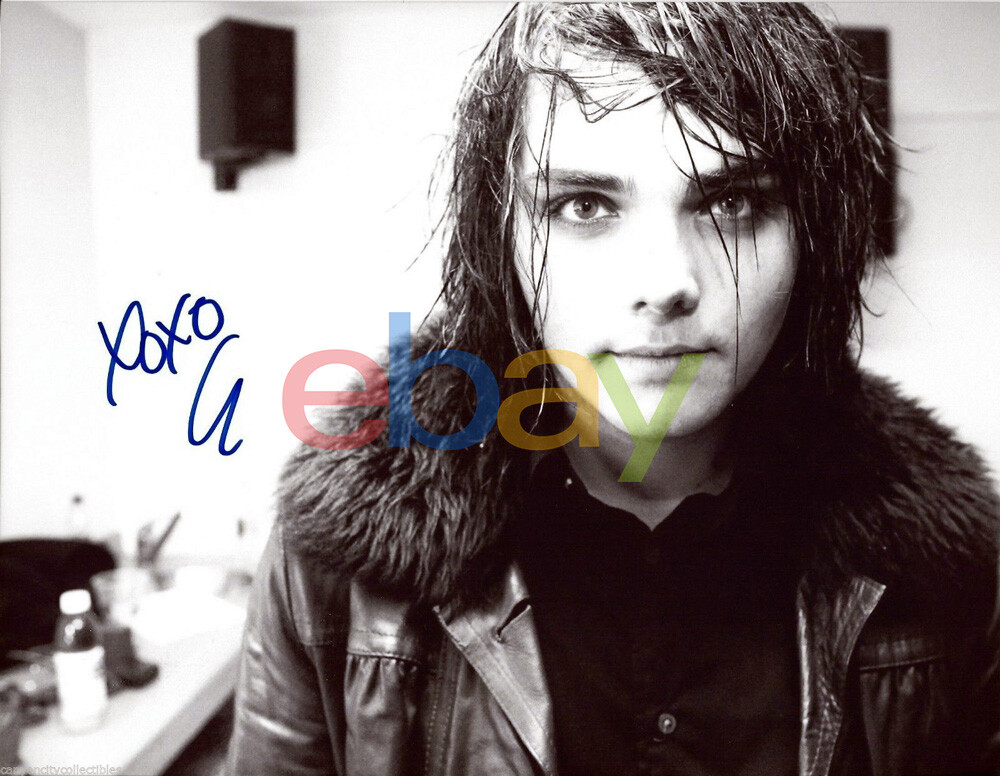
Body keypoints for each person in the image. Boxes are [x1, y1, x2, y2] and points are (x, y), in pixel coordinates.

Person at [226, 4, 999, 774]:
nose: (666, 283)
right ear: (501, 238)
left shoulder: (951, 568)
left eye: (731, 204)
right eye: (585, 206)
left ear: (812, 237)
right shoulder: (337, 559)